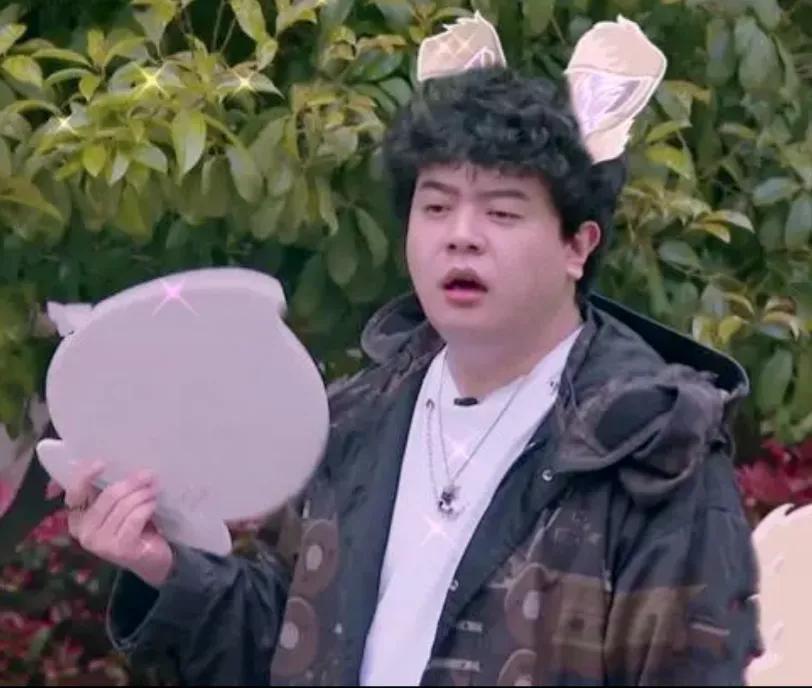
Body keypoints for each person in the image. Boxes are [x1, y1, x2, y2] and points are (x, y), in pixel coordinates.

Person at [55, 16, 761, 687]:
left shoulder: (654, 449)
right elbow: (285, 639)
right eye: (436, 206)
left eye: (502, 211)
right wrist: (162, 566)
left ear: (578, 246)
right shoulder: (356, 421)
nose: (461, 235)